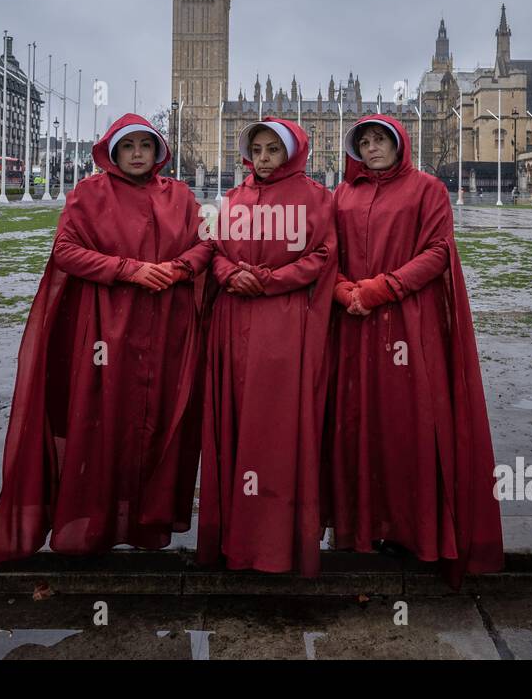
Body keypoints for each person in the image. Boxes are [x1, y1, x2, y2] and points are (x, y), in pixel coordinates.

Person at [0, 114, 211, 562]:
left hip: (166, 324)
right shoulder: (89, 194)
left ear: (157, 153)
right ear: (112, 152)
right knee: (102, 418)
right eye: (126, 146)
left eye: (144, 147)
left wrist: (179, 267)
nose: (135, 154)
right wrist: (128, 269)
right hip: (106, 326)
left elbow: (206, 243)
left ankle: (148, 521)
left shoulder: (180, 196)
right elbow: (65, 251)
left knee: (157, 419)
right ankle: (94, 522)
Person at [327, 115, 504, 588]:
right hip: (354, 324)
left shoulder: (427, 189)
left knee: (409, 422)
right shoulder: (343, 194)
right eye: (363, 141)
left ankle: (412, 529)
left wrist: (380, 289)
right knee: (357, 421)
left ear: (398, 142)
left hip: (408, 320)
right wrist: (345, 292)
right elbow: (328, 255)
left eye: (379, 139)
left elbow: (438, 252)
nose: (371, 147)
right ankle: (359, 527)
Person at [197, 118, 337, 577]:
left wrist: (273, 281)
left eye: (273, 149)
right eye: (256, 149)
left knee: (278, 429)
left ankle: (278, 541)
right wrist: (229, 274)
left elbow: (321, 255)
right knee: (236, 425)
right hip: (234, 324)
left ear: (292, 152)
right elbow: (213, 250)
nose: (263, 157)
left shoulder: (316, 198)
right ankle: (237, 539)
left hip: (285, 326)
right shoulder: (232, 200)